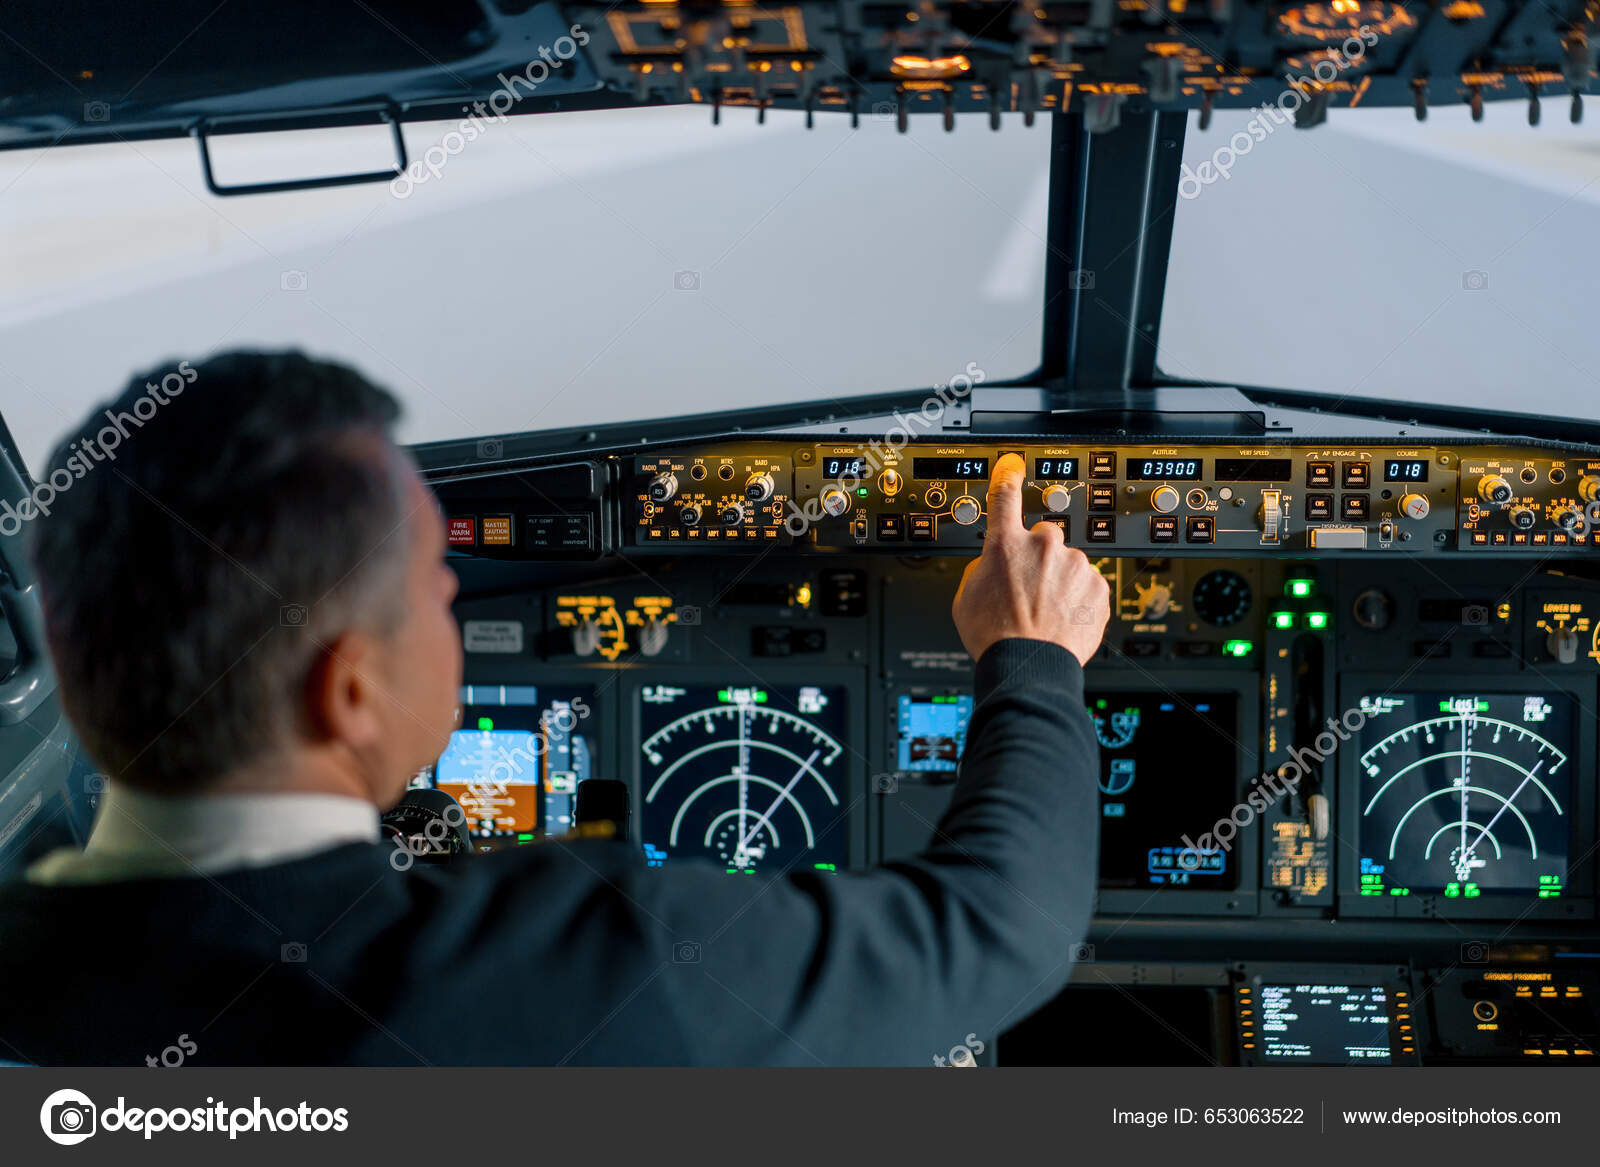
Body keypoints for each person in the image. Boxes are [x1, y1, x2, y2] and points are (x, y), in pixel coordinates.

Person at [0, 351, 1109, 1066]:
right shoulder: (588, 960)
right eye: (441, 588)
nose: (452, 610)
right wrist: (1032, 653)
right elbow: (1002, 929)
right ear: (348, 690)